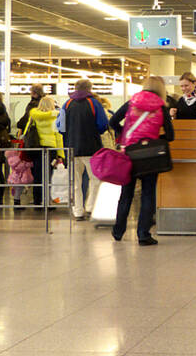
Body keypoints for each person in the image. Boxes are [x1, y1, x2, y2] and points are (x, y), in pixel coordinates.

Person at [108, 77, 173, 245]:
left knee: (126, 194)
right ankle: (143, 235)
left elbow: (113, 121)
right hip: (150, 157)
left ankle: (118, 231)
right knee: (148, 194)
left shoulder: (132, 103)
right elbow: (171, 135)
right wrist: (156, 139)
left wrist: (124, 133)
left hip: (129, 153)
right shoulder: (161, 107)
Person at [59, 79, 110, 220]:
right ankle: (90, 207)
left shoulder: (67, 104)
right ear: (90, 88)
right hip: (92, 148)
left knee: (75, 182)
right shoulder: (94, 103)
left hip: (71, 148)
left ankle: (78, 212)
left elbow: (59, 126)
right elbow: (103, 125)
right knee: (95, 179)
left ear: (75, 88)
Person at [21, 95, 61, 208]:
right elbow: (59, 136)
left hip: (36, 147)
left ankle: (37, 200)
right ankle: (47, 201)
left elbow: (27, 130)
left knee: (37, 174)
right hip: (50, 149)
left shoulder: (34, 115)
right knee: (48, 175)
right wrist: (60, 154)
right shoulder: (56, 116)